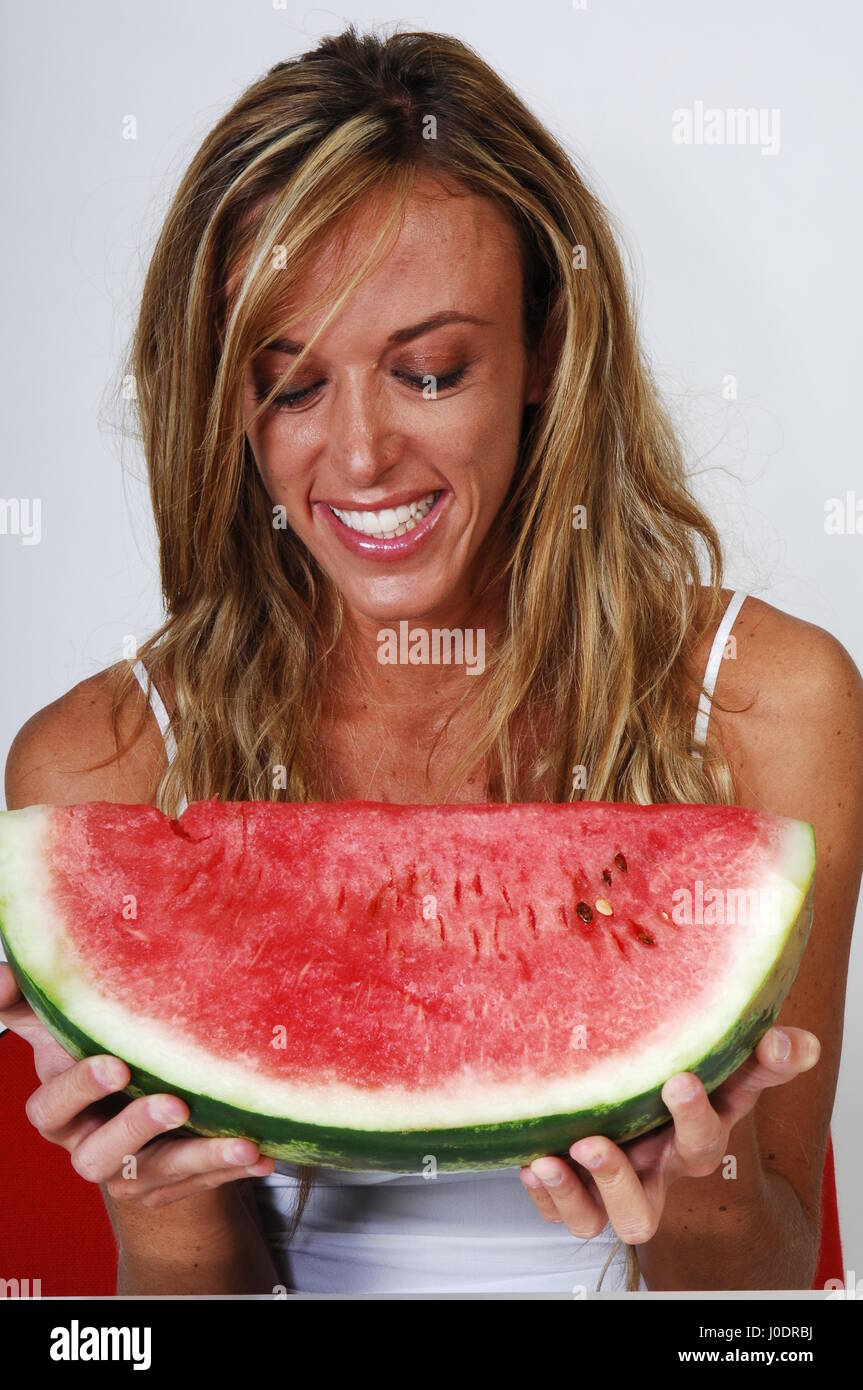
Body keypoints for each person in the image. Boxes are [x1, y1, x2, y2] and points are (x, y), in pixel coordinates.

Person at [1, 26, 861, 1296]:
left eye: (428, 370)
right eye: (289, 387)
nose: (357, 456)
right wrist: (157, 1203)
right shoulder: (98, 765)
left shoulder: (766, 706)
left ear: (544, 353)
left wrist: (692, 1193)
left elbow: (763, 1304)